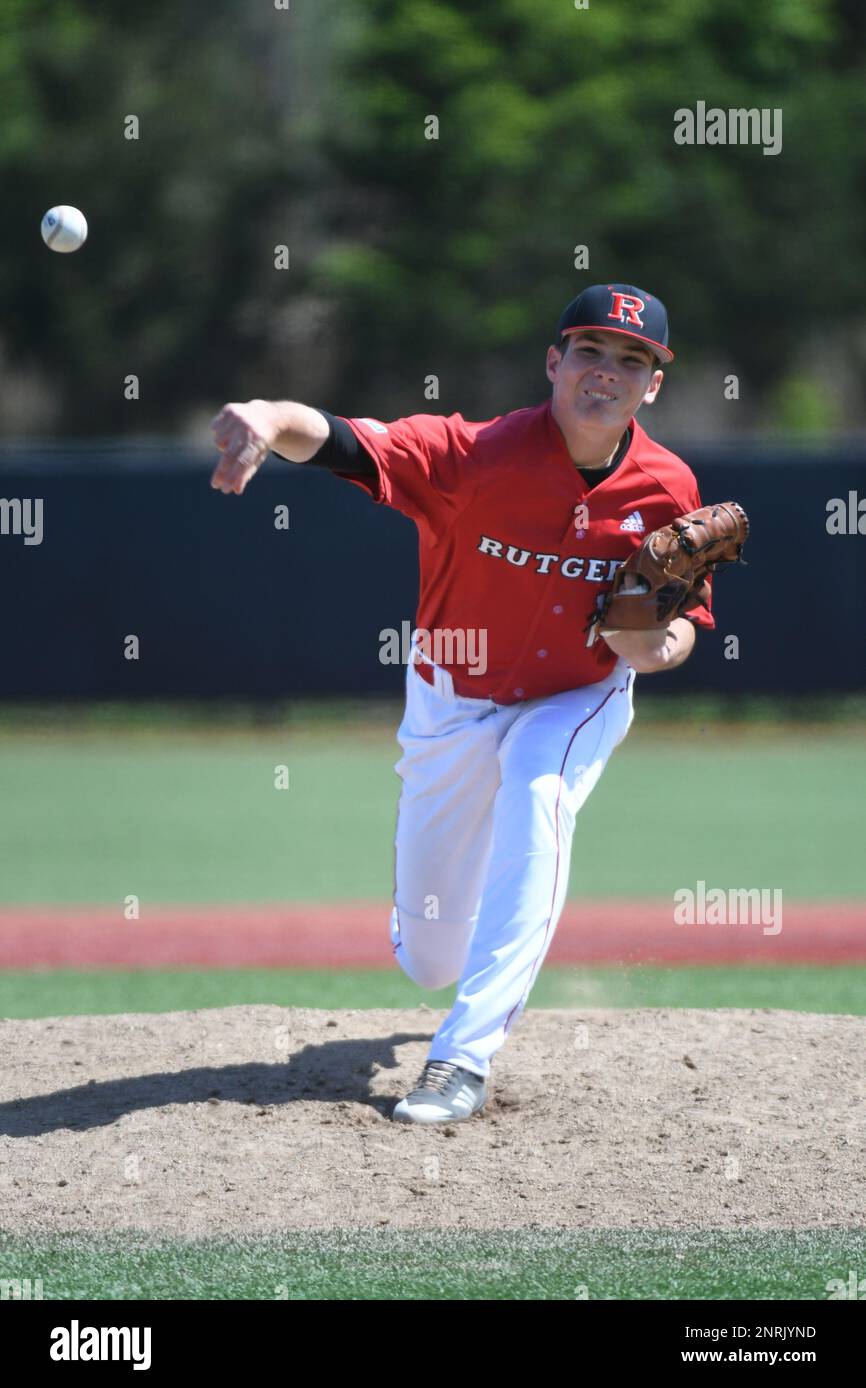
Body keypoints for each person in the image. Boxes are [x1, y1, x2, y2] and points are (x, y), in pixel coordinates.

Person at [209, 283, 713, 1125]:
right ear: (554, 362)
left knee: (539, 792)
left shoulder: (669, 486)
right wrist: (264, 414)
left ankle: (462, 1057)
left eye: (634, 360)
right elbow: (339, 439)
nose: (607, 372)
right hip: (449, 702)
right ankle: (468, 931)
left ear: (654, 384)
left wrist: (656, 649)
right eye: (590, 350)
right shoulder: (470, 456)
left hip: (578, 695)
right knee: (430, 957)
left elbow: (686, 626)